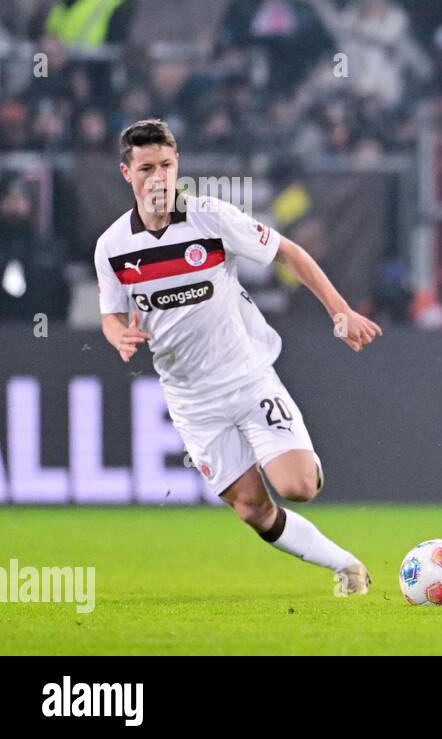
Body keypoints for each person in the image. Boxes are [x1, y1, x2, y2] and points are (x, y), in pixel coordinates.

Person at [93, 119, 383, 595]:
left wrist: (341, 312)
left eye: (166, 165)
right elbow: (110, 315)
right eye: (146, 168)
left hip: (247, 377)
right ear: (127, 173)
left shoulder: (211, 217)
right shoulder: (112, 248)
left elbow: (288, 252)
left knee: (299, 487)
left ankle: (303, 461)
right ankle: (346, 565)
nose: (158, 177)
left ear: (177, 164)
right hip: (191, 400)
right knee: (252, 509)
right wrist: (118, 336)